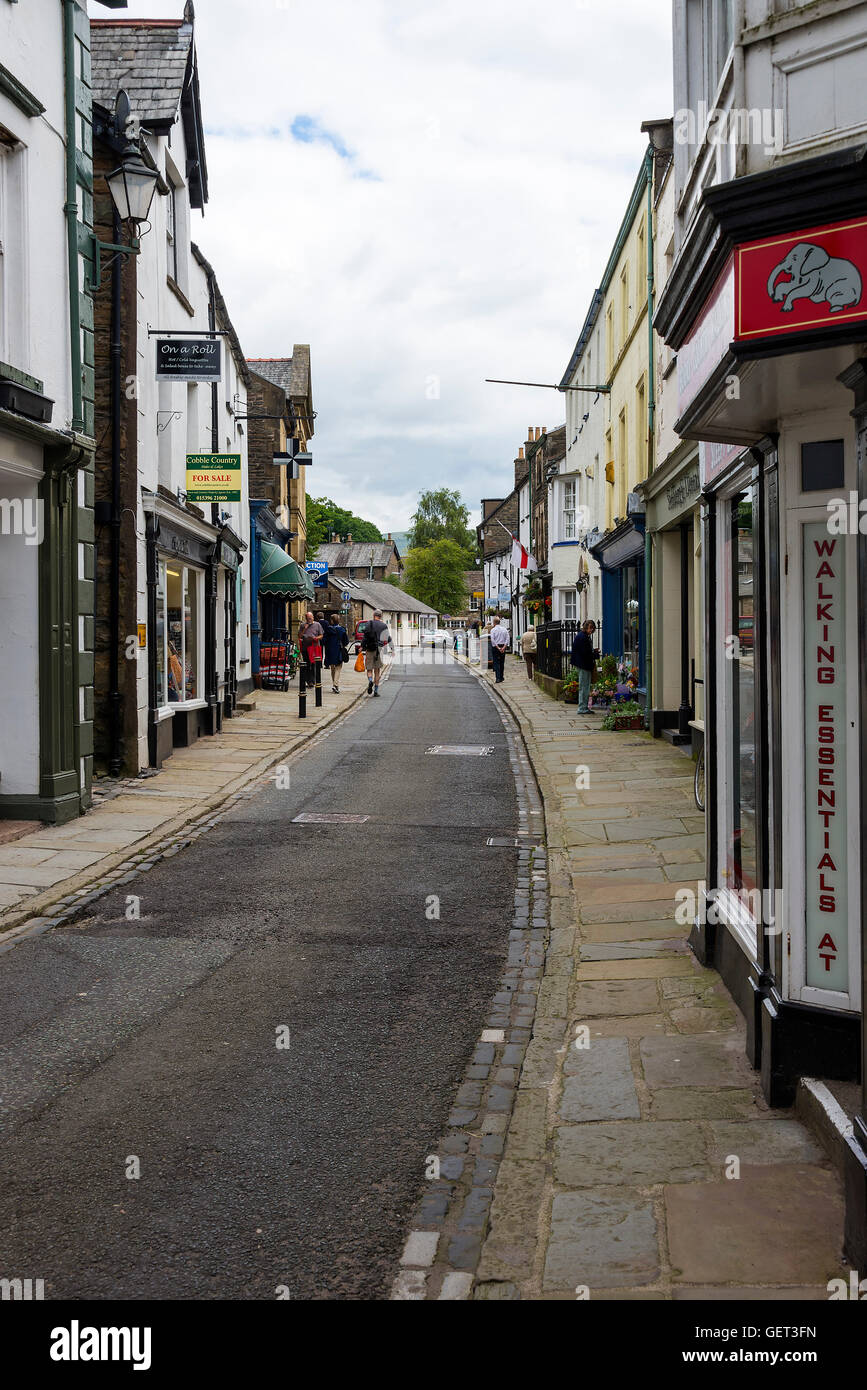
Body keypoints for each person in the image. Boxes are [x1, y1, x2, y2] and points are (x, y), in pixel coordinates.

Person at [570, 619, 597, 713]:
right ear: (586, 627)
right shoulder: (583, 637)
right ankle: (582, 708)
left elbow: (585, 651)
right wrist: (595, 655)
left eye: (593, 628)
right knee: (584, 686)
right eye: (590, 628)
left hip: (583, 663)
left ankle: (584, 707)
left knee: (585, 686)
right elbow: (585, 653)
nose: (592, 630)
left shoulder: (584, 636)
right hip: (583, 664)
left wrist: (593, 652)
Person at [361, 609, 390, 695]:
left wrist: (362, 647)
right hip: (379, 650)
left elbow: (365, 637)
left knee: (369, 669)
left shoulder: (369, 624)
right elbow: (387, 638)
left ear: (374, 615)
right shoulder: (384, 625)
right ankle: (376, 691)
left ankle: (370, 681)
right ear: (381, 616)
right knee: (377, 671)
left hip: (369, 649)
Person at [322, 610, 348, 693]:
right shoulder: (342, 630)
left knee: (333, 669)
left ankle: (335, 685)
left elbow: (324, 641)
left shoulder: (328, 630)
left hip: (329, 651)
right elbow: (346, 642)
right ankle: (335, 685)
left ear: (332, 621)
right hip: (338, 651)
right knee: (338, 668)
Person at [298, 610, 324, 682]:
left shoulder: (317, 624)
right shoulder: (302, 625)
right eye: (307, 618)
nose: (309, 620)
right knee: (306, 664)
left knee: (313, 664)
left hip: (314, 647)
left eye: (310, 618)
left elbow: (321, 635)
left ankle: (312, 680)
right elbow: (299, 636)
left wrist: (316, 638)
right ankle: (308, 680)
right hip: (305, 648)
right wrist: (304, 629)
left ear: (313, 617)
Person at [489, 617, 510, 683]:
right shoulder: (504, 629)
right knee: (501, 662)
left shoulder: (493, 630)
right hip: (503, 646)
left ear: (494, 623)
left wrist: (498, 648)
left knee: (496, 662)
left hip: (496, 647)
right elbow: (507, 638)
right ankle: (501, 677)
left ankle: (498, 678)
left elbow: (493, 640)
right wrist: (504, 647)